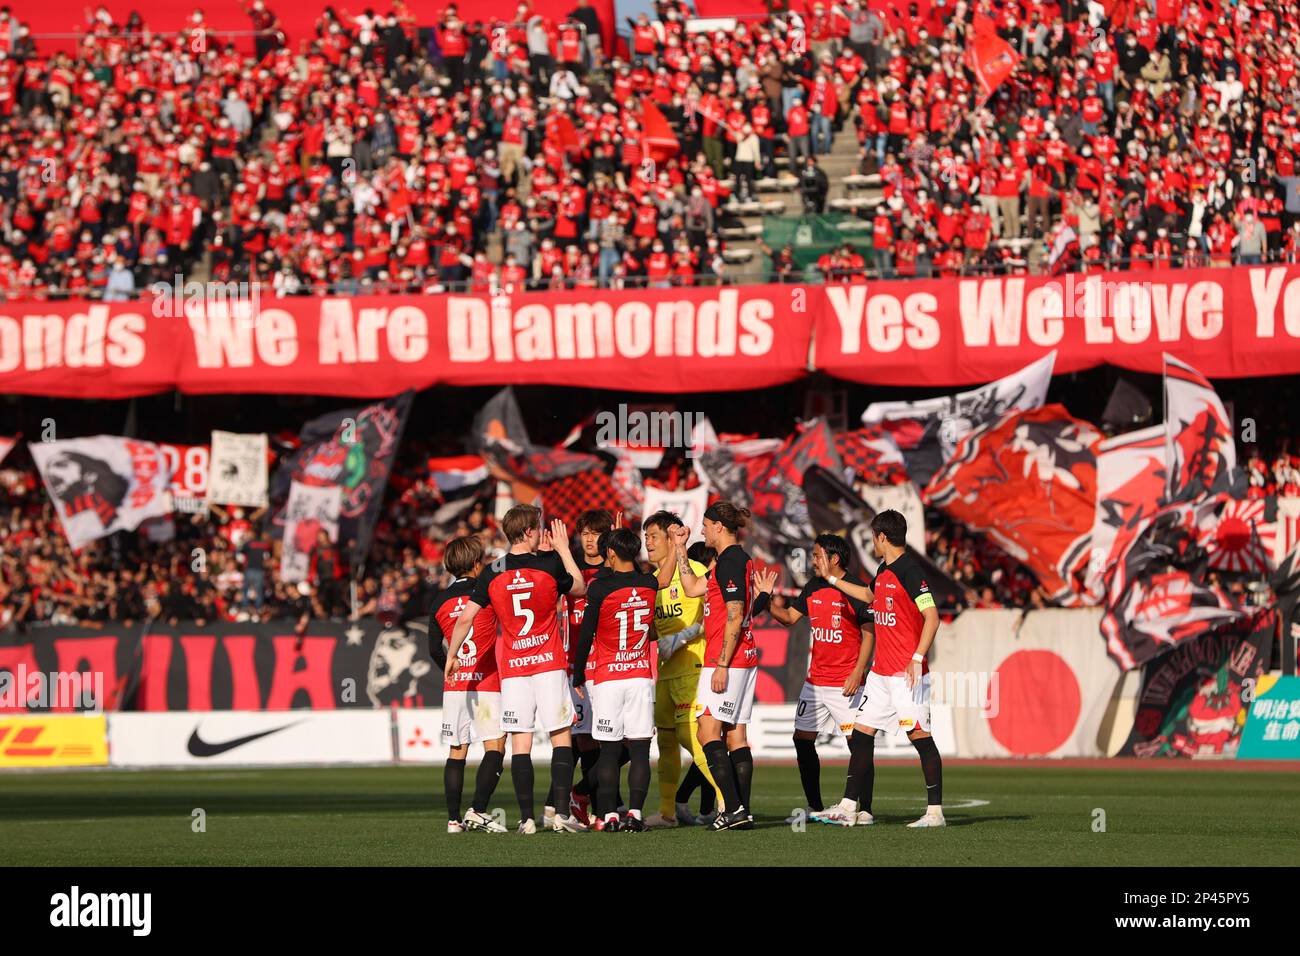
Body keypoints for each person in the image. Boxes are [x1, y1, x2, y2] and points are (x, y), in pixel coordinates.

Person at [446, 505, 590, 834]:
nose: (541, 533)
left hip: (514, 669)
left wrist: (452, 655)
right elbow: (580, 587)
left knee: (520, 743)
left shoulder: (492, 571)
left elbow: (465, 618)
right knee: (560, 737)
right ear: (527, 532)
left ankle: (526, 819)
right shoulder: (550, 562)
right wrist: (566, 550)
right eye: (538, 528)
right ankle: (559, 815)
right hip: (549, 664)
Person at [811, 510, 945, 828]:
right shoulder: (885, 569)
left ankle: (935, 813)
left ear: (881, 537)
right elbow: (869, 595)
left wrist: (916, 657)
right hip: (880, 674)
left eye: (872, 536)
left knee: (920, 737)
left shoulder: (910, 571)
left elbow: (933, 616)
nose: (871, 542)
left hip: (906, 675)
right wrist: (832, 579)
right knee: (861, 735)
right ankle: (848, 806)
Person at [754, 533, 872, 822]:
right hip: (816, 682)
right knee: (801, 739)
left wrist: (858, 671)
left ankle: (865, 809)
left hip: (846, 682)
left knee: (858, 744)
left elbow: (869, 632)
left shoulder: (856, 588)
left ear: (834, 559)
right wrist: (766, 599)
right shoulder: (813, 587)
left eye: (818, 555)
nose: (813, 560)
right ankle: (815, 806)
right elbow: (790, 618)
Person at [672, 501, 758, 831]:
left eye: (706, 526)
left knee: (706, 732)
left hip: (727, 659)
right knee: (735, 736)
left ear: (719, 527)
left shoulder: (731, 561)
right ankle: (742, 812)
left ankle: (734, 808)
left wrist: (721, 663)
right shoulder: (728, 561)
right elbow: (693, 588)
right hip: (742, 658)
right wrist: (680, 550)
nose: (703, 531)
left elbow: (735, 614)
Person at [570, 528, 661, 831]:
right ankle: (635, 814)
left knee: (608, 751)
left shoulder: (599, 587)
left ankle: (608, 816)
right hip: (639, 677)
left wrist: (579, 672)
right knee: (639, 751)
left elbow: (586, 634)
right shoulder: (649, 583)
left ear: (610, 553)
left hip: (608, 677)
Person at [642, 511, 720, 828]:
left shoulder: (696, 571)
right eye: (645, 537)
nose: (647, 543)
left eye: (653, 536)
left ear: (671, 537)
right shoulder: (651, 580)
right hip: (665, 670)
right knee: (666, 743)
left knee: (695, 739)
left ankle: (730, 804)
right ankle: (667, 813)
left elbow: (715, 617)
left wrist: (686, 634)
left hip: (692, 668)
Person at [428, 535, 508, 833]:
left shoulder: (439, 600)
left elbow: (434, 648)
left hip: (456, 687)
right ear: (477, 563)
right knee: (496, 746)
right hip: (486, 682)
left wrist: (449, 669)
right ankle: (478, 809)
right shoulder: (487, 591)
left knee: (457, 750)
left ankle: (452, 819)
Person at [566, 508, 615, 824]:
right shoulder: (570, 570)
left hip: (612, 667)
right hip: (578, 667)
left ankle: (582, 794)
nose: (589, 539)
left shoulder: (616, 570)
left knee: (621, 741)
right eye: (584, 532)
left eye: (595, 533)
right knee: (585, 740)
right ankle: (598, 808)